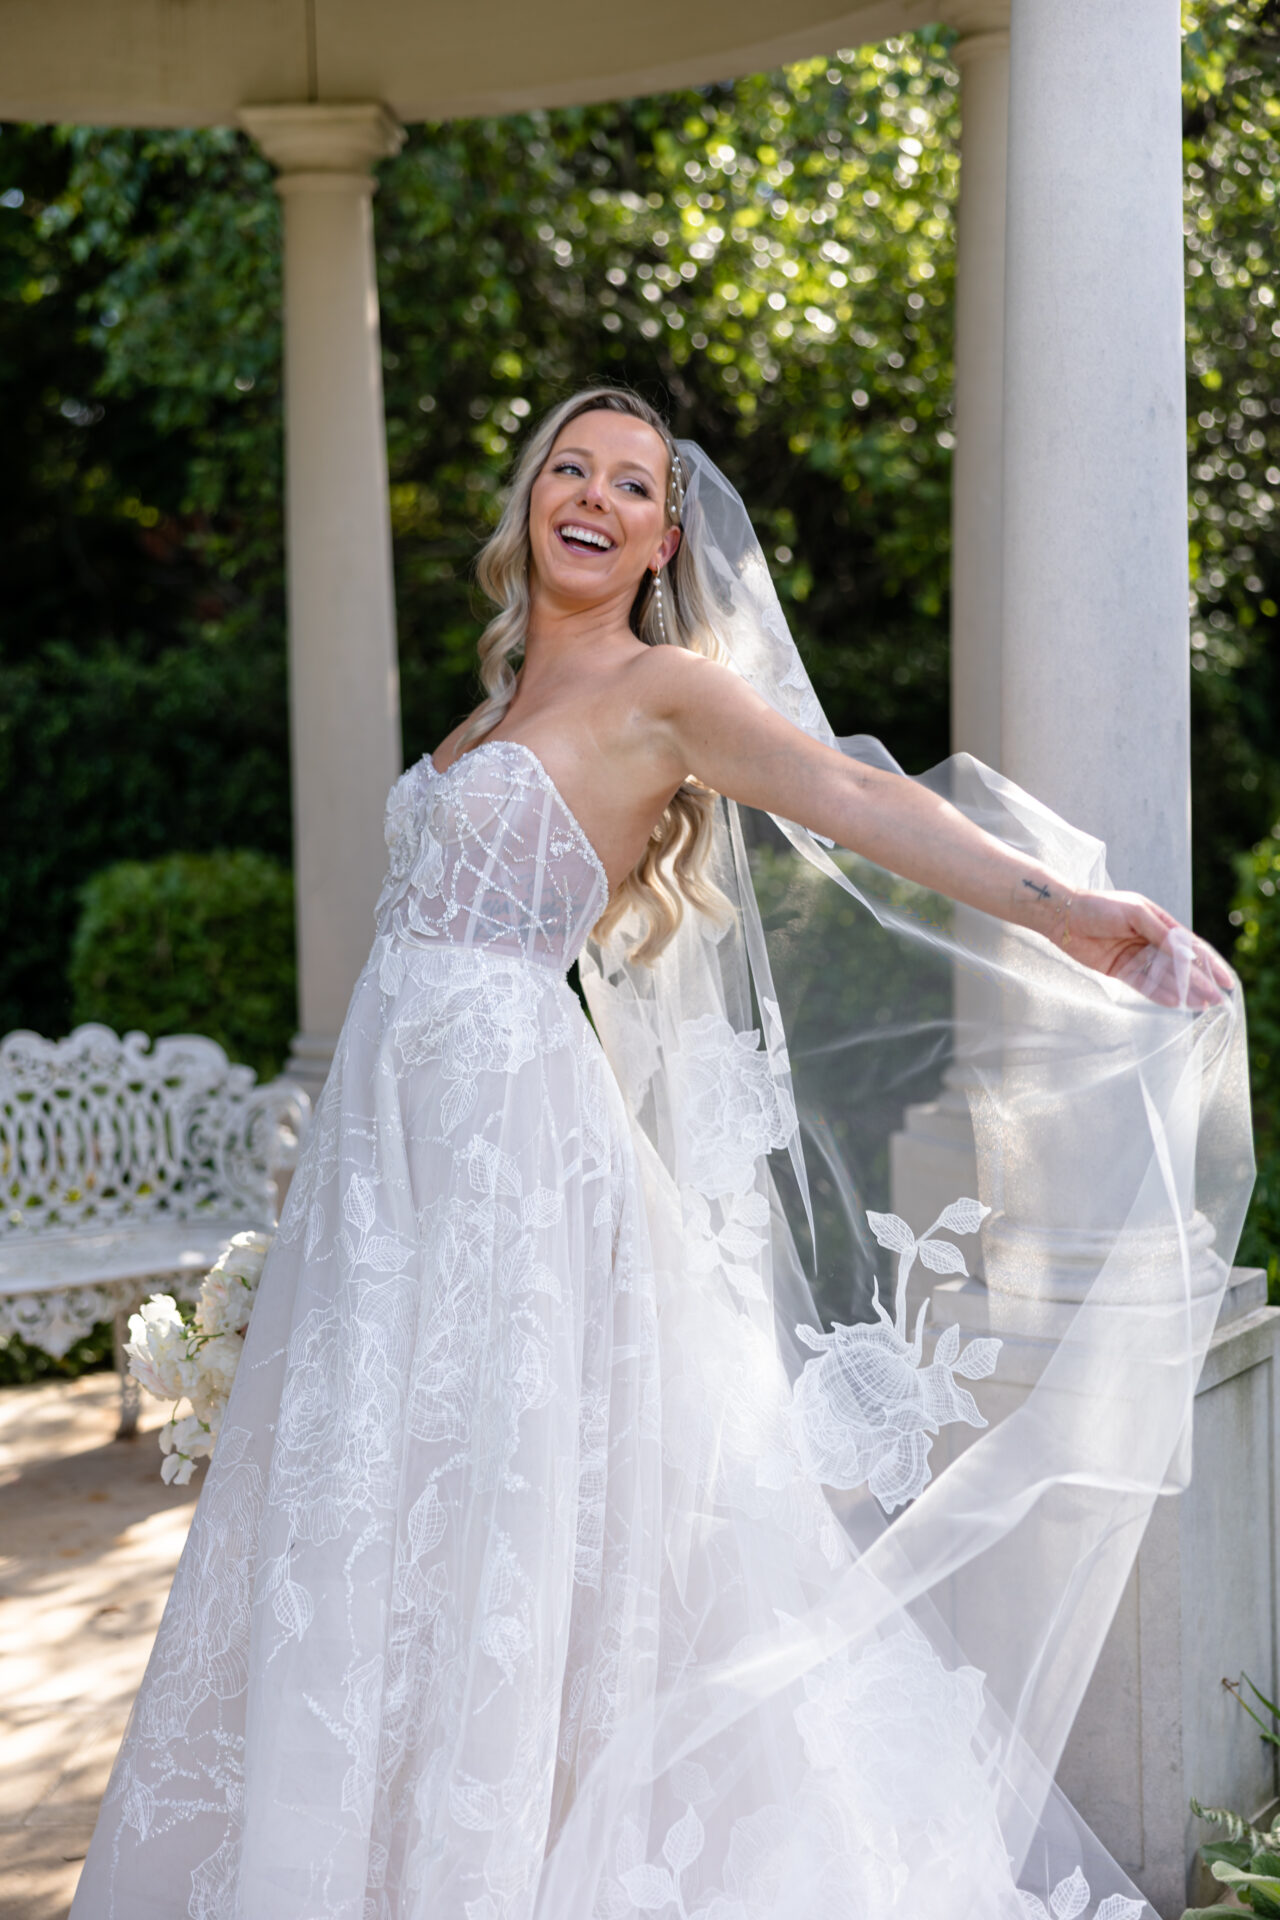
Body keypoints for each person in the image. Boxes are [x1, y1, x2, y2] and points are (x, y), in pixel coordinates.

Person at [71, 387, 1249, 1920]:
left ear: (661, 536)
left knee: (516, 1515)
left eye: (631, 483)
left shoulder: (668, 693)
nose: (593, 495)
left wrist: (1068, 913)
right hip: (389, 1171)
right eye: (568, 466)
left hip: (513, 1168)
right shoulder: (480, 715)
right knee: (375, 1510)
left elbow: (857, 797)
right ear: (529, 500)